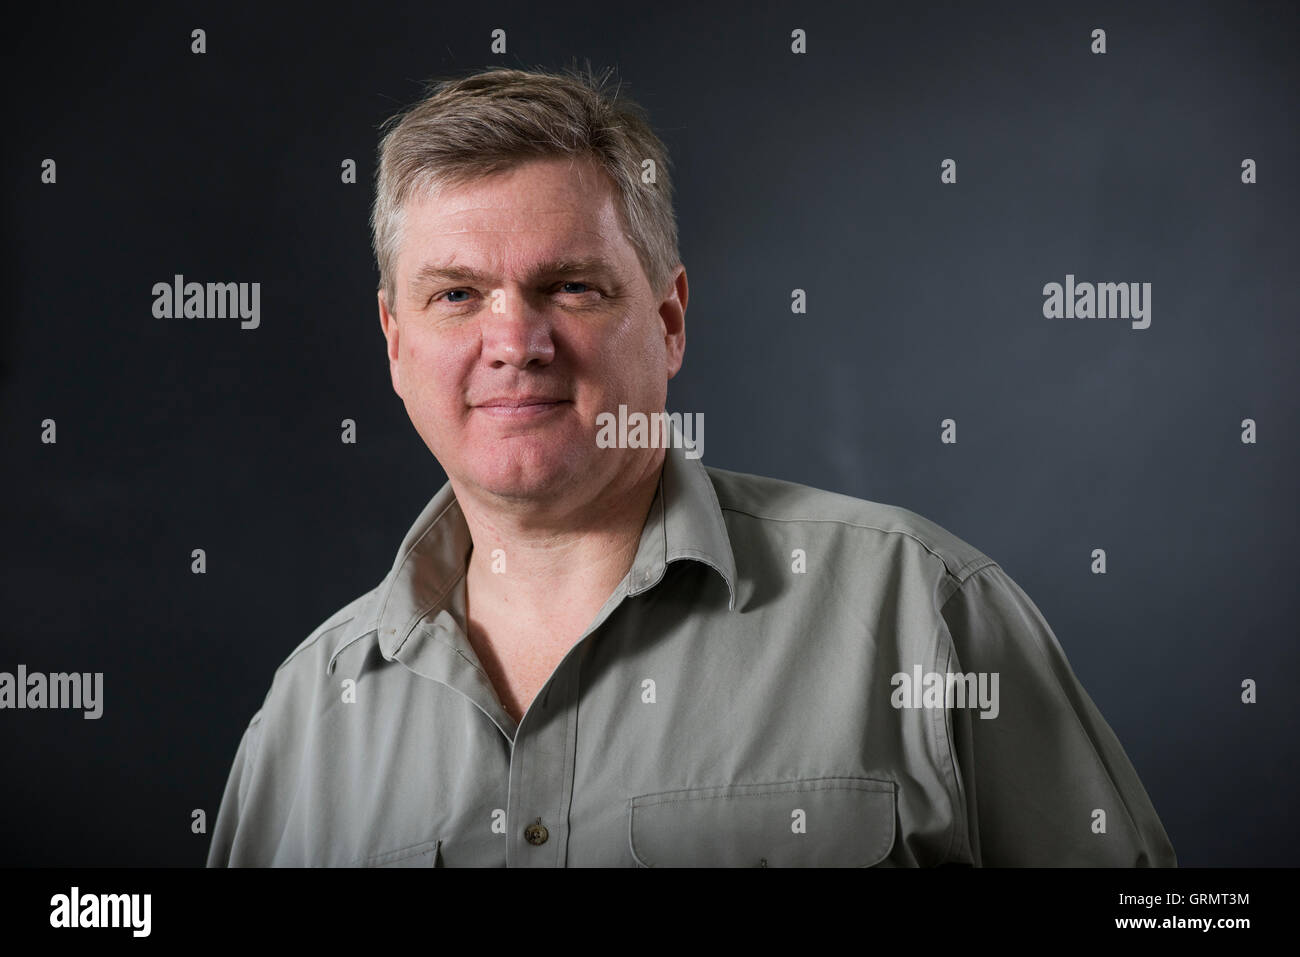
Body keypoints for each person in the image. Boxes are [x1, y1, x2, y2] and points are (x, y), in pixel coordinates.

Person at [207, 65, 1176, 867]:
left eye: (572, 287)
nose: (516, 341)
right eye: (457, 295)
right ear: (393, 341)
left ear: (667, 321)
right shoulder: (310, 714)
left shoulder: (921, 612)